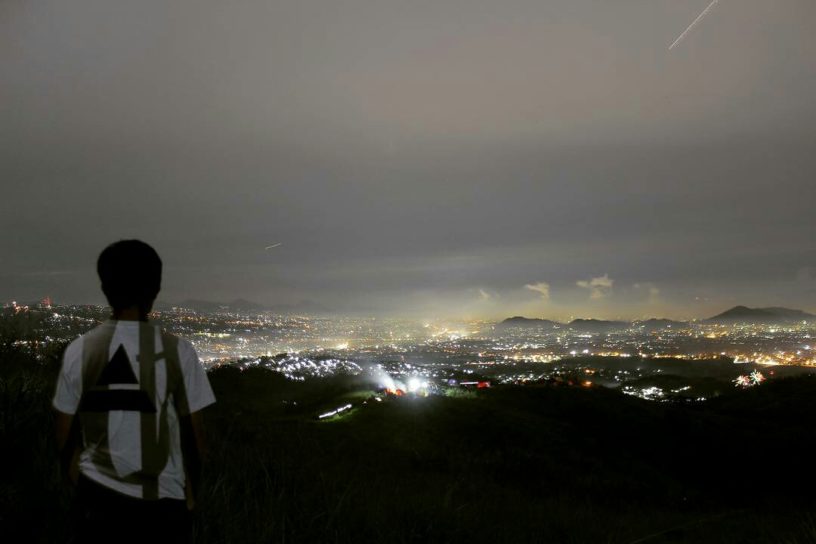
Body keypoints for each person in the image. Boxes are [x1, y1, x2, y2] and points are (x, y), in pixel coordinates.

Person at [53, 240, 215, 543]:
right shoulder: (178, 351)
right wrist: (191, 497)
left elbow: (64, 435)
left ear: (105, 288)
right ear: (155, 289)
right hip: (163, 505)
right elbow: (195, 439)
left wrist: (79, 483)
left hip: (96, 501)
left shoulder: (80, 350)